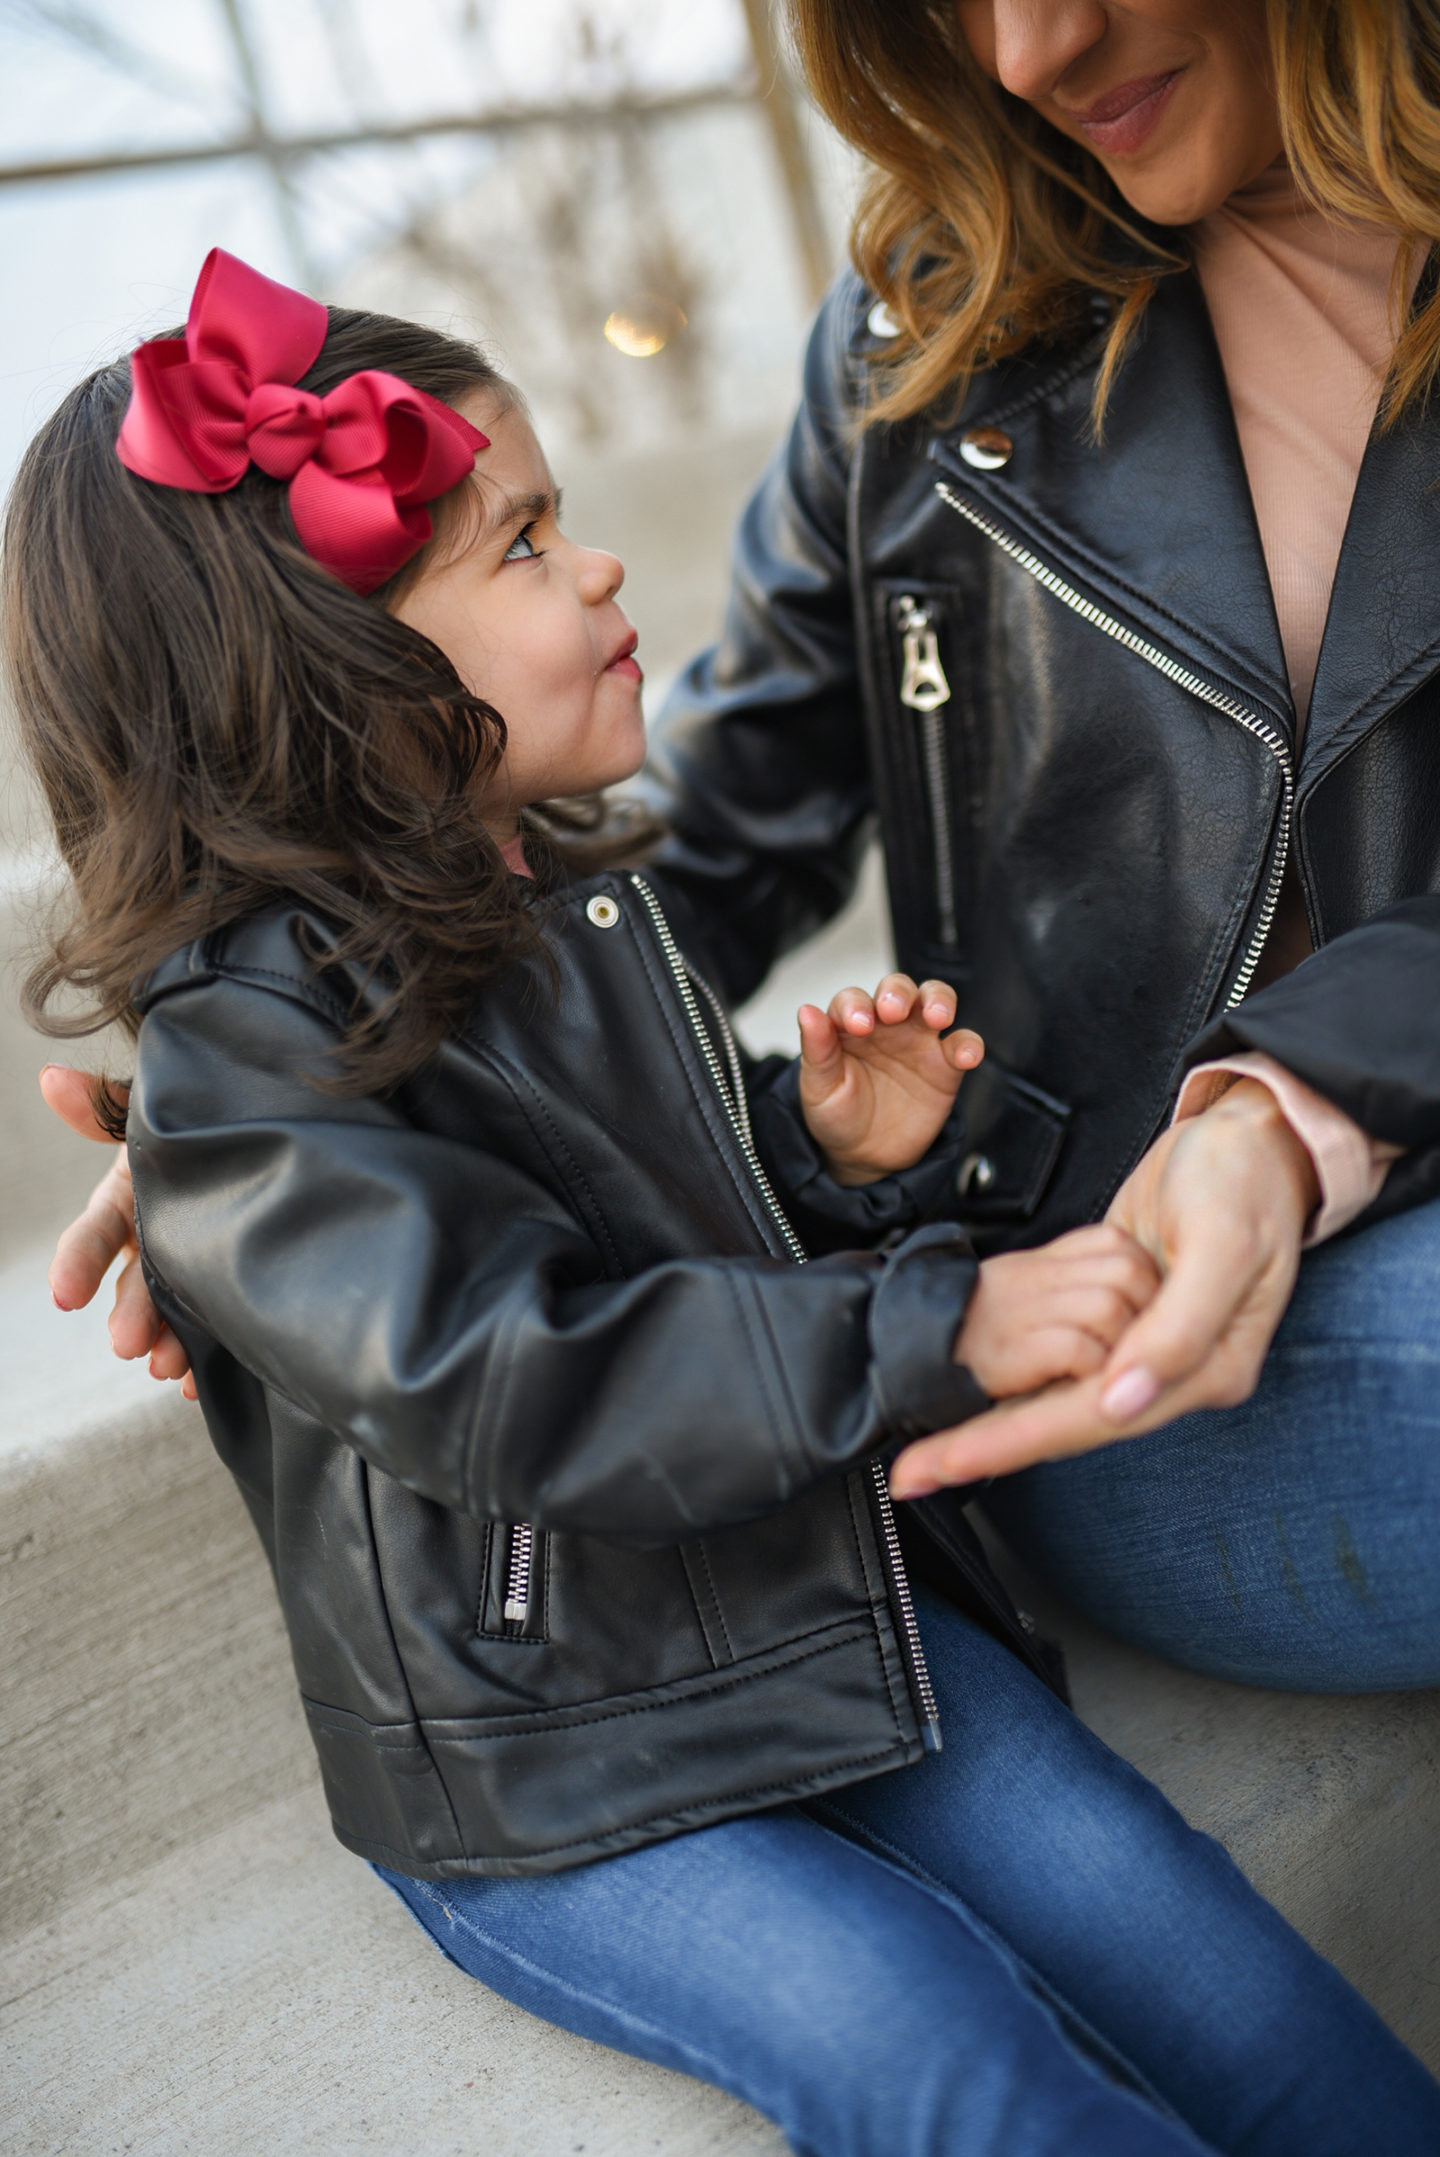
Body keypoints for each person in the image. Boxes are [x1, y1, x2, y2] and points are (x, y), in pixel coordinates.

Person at [8, 245, 1439, 2156]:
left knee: (1223, 1979)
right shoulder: (236, 1076)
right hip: (563, 1769)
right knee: (936, 2050)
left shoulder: (579, 919)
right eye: (519, 545)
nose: (597, 570)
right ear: (330, 671)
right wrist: (946, 1312)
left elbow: (643, 1213)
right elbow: (524, 1370)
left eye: (567, 526)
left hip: (805, 1612)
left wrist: (835, 1156)